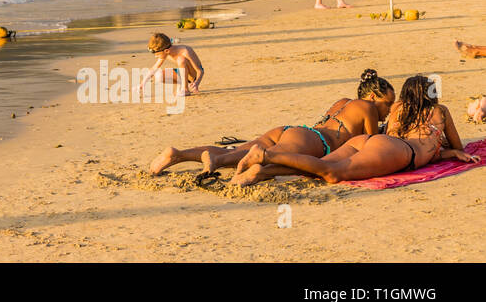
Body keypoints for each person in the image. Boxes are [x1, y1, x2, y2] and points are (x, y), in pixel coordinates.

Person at [235, 75, 478, 184]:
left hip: (367, 140)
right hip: (398, 151)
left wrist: (443, 151)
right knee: (332, 173)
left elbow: (389, 134)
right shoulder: (441, 112)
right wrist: (449, 151)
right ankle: (265, 155)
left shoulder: (398, 108)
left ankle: (261, 172)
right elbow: (457, 146)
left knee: (315, 167)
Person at [149, 70, 394, 178]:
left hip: (295, 131)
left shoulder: (344, 101)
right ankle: (217, 162)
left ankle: (178, 154)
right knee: (256, 158)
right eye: (387, 104)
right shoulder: (368, 107)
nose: (387, 110)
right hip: (316, 141)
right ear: (373, 97)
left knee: (237, 151)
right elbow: (372, 143)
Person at [138, 33, 204, 98]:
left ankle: (185, 89)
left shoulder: (185, 51)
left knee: (181, 59)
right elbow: (154, 68)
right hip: (183, 73)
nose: (156, 56)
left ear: (166, 51)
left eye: (157, 54)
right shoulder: (165, 52)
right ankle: (181, 84)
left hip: (193, 75)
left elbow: (200, 70)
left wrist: (197, 83)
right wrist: (143, 83)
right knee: (159, 76)